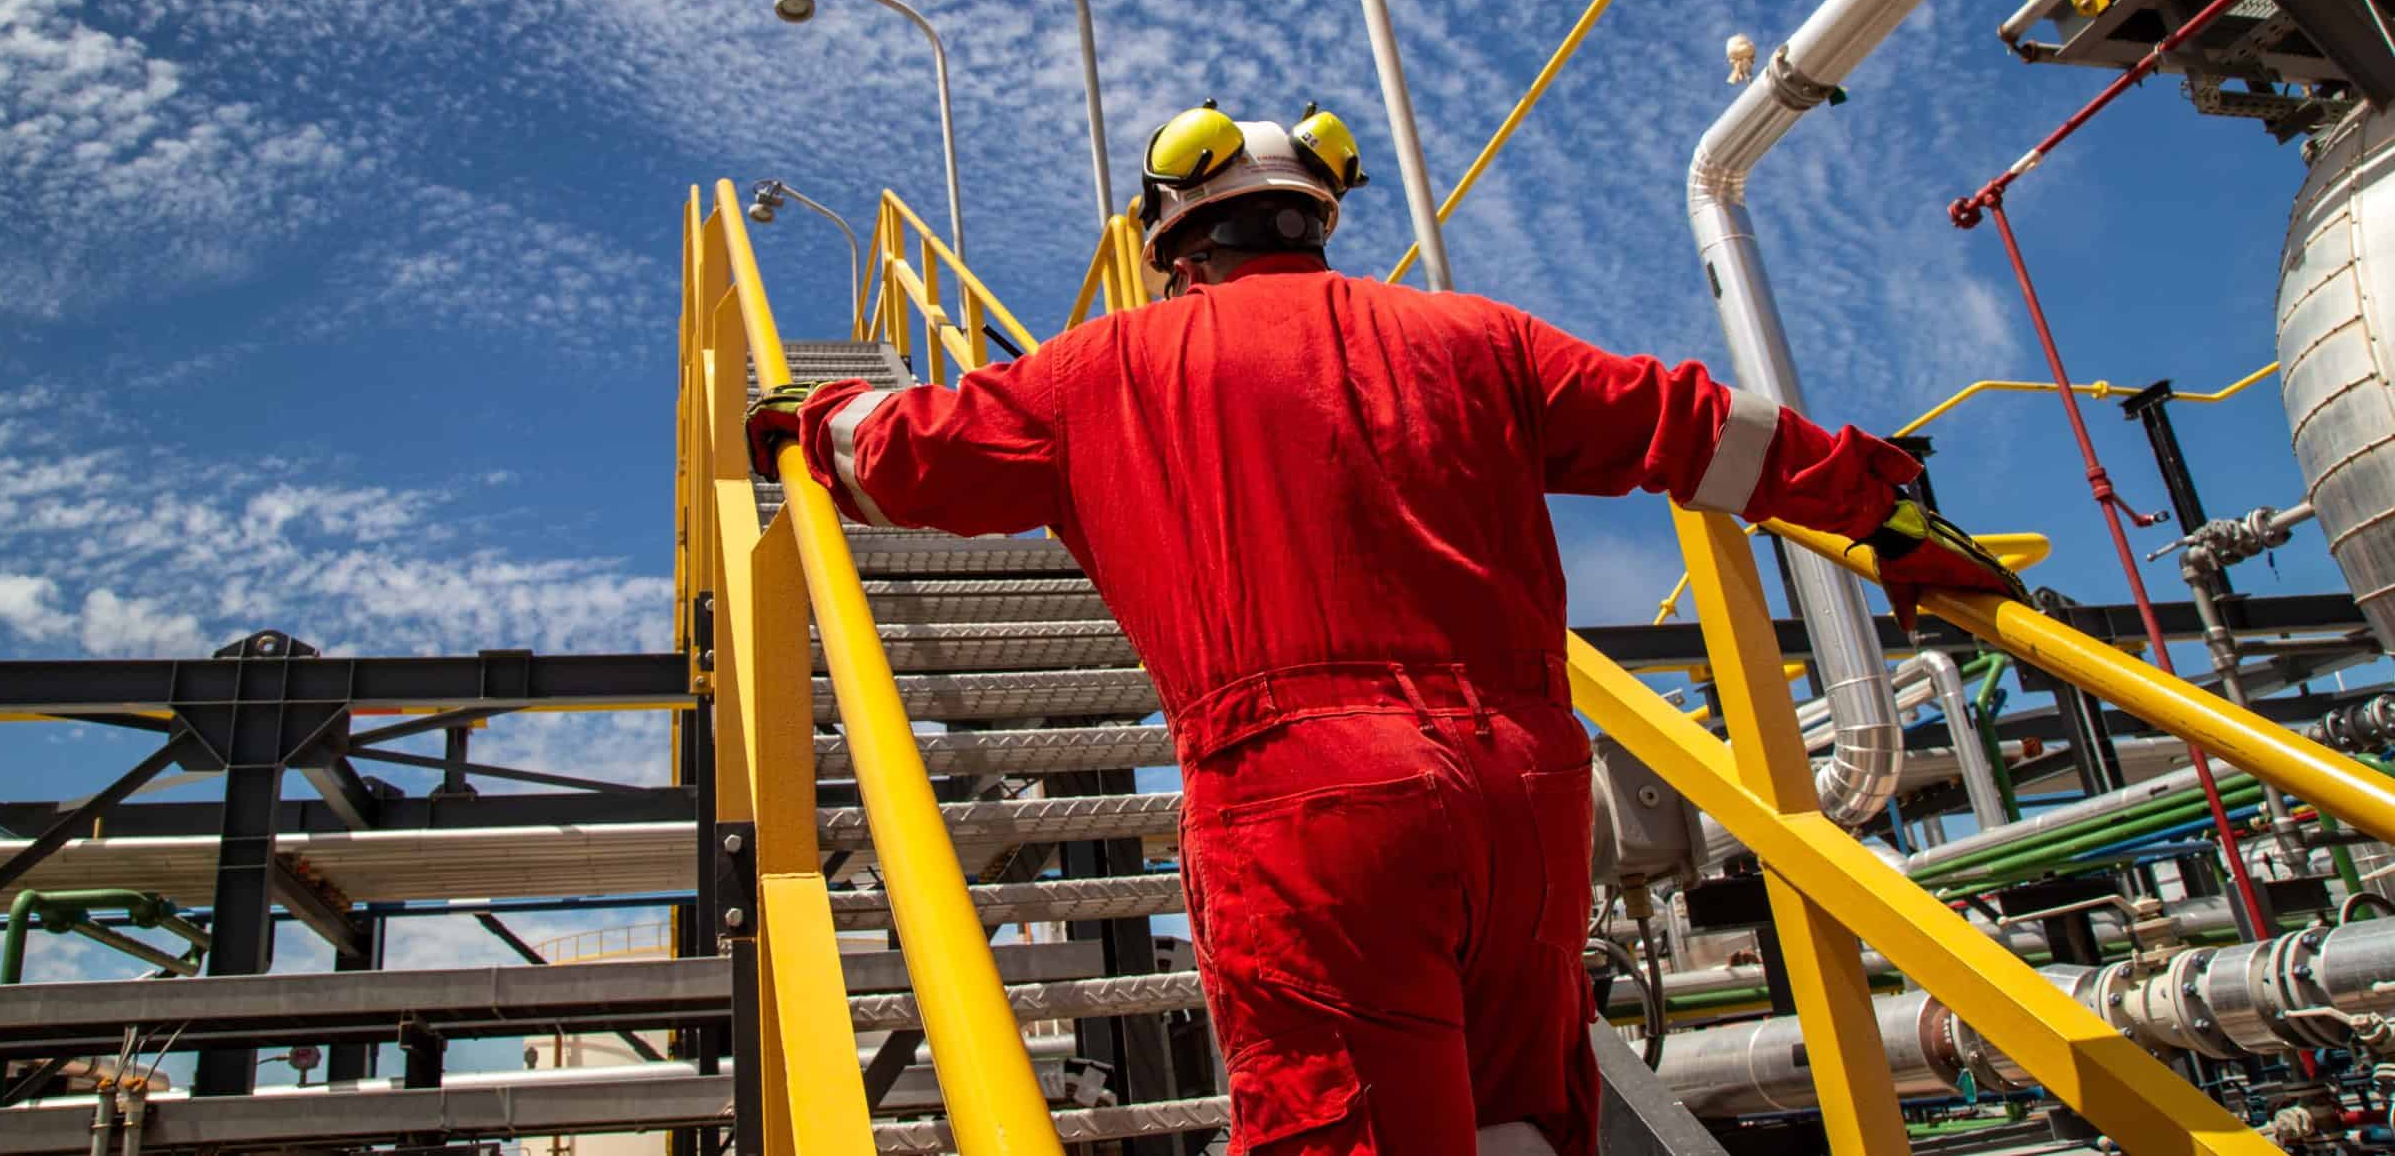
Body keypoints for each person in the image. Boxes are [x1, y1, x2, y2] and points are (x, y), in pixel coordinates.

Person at [748, 102, 2024, 1156]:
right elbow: (1693, 424)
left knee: (1346, 1130)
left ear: (1168, 245)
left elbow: (903, 458)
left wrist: (806, 423)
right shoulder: (1479, 337)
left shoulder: (1100, 371)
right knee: (1522, 1113)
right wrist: (1885, 513)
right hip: (1526, 785)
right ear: (1319, 223)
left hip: (1305, 802)